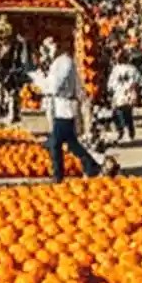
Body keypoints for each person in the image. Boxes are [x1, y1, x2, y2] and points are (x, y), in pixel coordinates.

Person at [31, 37, 99, 183]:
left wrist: (39, 80)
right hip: (60, 107)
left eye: (49, 48)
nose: (47, 52)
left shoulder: (64, 62)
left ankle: (59, 174)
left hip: (64, 107)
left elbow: (54, 86)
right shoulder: (59, 62)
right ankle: (90, 165)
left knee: (56, 143)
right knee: (70, 142)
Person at [106, 51, 142, 143]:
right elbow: (140, 81)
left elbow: (111, 83)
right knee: (127, 114)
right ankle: (129, 131)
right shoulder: (132, 69)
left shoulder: (117, 69)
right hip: (127, 94)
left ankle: (123, 131)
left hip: (121, 94)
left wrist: (110, 90)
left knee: (119, 113)